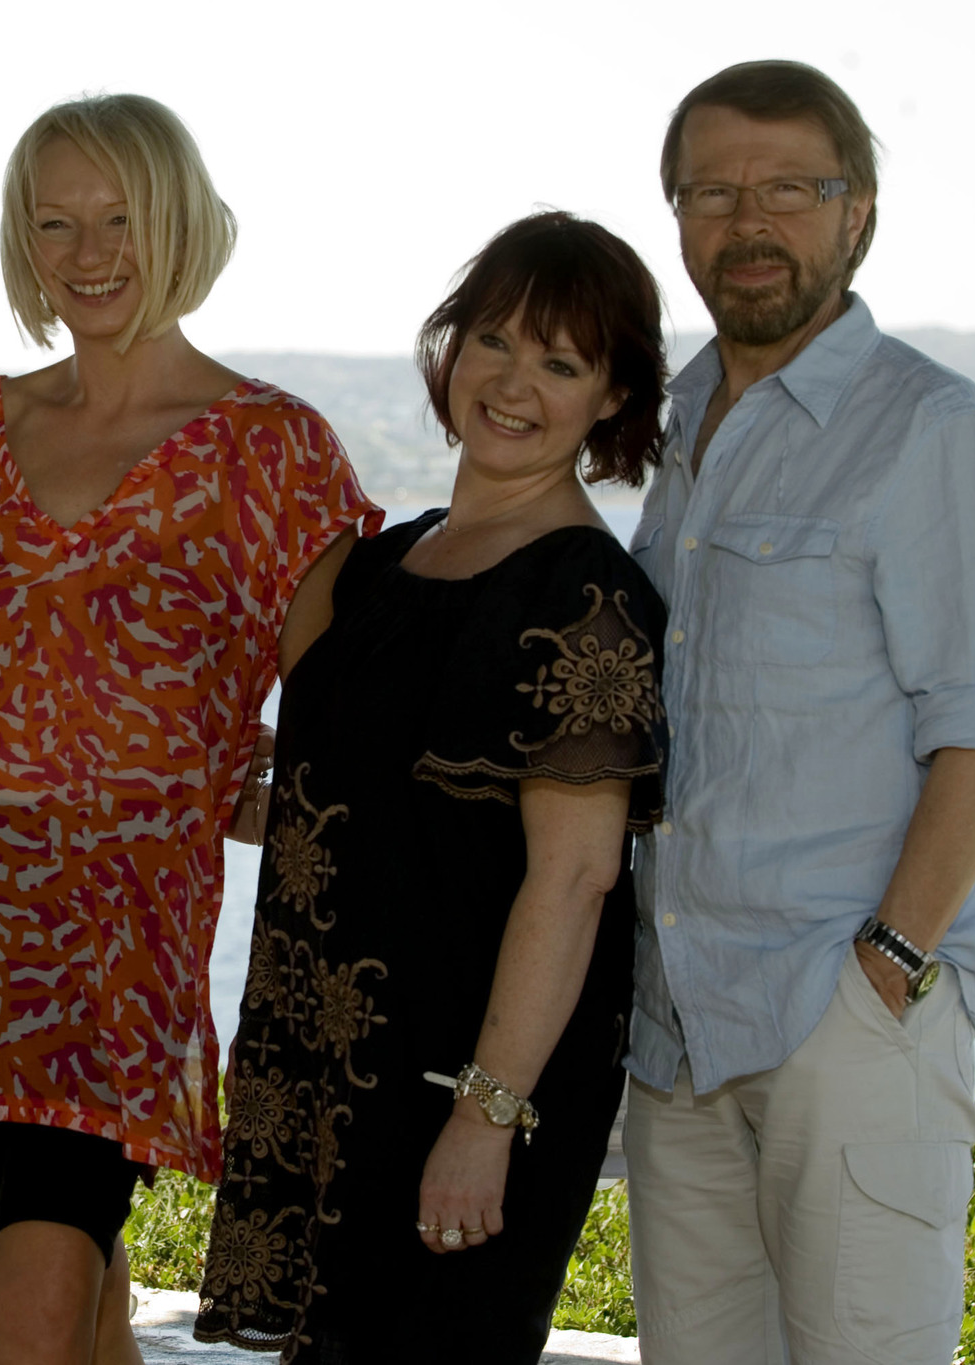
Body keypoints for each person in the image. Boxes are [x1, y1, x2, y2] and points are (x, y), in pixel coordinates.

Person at [0, 94, 381, 1365]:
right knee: (68, 1253)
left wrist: (244, 781)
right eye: (53, 221)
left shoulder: (273, 452)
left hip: (122, 939)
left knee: (45, 1270)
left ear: (177, 222)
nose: (86, 251)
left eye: (117, 217)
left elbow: (341, 721)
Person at [622, 61, 975, 1365]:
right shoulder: (677, 420)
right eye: (713, 191)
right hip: (675, 1028)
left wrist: (887, 971)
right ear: (679, 218)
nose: (749, 222)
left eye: (790, 189)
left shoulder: (927, 423)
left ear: (856, 212)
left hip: (842, 1019)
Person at [194, 212, 670, 1364]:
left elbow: (575, 878)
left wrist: (482, 1114)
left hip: (463, 1091)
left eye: (559, 363)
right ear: (447, 347)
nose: (512, 383)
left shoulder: (582, 596)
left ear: (609, 399)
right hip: (329, 1081)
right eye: (493, 341)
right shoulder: (372, 567)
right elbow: (346, 803)